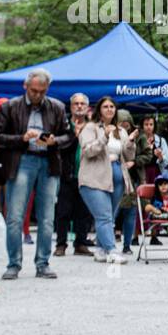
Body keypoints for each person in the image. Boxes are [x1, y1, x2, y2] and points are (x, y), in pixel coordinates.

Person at [0, 68, 70, 280]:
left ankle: (43, 263)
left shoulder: (57, 107)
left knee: (47, 218)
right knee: (15, 216)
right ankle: (14, 264)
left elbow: (69, 135)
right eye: (34, 90)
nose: (37, 95)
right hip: (21, 160)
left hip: (48, 161)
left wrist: (55, 140)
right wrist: (21, 138)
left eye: (41, 91)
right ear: (25, 86)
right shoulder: (10, 106)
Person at [77, 96, 135, 264]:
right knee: (104, 216)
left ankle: (101, 249)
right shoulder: (90, 128)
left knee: (109, 216)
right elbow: (88, 151)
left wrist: (130, 143)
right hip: (94, 177)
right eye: (105, 106)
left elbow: (129, 155)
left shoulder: (120, 131)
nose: (109, 109)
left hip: (117, 176)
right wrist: (104, 136)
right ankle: (111, 250)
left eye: (112, 106)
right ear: (99, 110)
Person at [53, 93, 94, 258]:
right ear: (70, 107)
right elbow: (58, 145)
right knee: (63, 211)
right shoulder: (64, 125)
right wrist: (74, 136)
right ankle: (61, 244)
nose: (79, 106)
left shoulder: (92, 126)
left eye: (82, 104)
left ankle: (81, 243)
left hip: (86, 174)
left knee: (83, 212)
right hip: (67, 173)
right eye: (76, 104)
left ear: (87, 107)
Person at [117, 109, 153, 255]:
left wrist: (134, 162)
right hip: (114, 175)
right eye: (121, 123)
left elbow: (148, 155)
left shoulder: (140, 136)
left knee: (130, 212)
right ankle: (106, 244)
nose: (125, 126)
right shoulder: (112, 134)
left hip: (133, 178)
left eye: (127, 123)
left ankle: (127, 245)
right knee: (112, 211)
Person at [143, 175, 168, 243]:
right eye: (160, 184)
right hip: (157, 215)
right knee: (148, 206)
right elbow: (147, 208)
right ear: (157, 187)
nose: (163, 186)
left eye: (165, 184)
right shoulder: (156, 197)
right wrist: (155, 210)